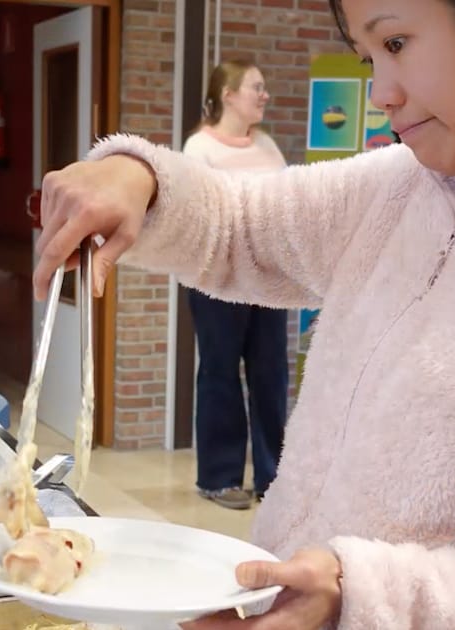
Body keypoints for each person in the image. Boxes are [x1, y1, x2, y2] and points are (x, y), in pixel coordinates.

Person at [32, 0, 455, 626]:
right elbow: (239, 224)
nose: (382, 92)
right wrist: (137, 178)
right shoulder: (402, 190)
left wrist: (361, 596)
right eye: (368, 57)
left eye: (398, 42)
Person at [182, 60, 290, 510]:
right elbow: (197, 212)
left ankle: (273, 477)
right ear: (228, 94)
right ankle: (219, 478)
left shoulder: (266, 145)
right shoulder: (198, 148)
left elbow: (288, 199)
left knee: (270, 375)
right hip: (217, 279)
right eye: (256, 88)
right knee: (220, 373)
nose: (264, 96)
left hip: (269, 277)